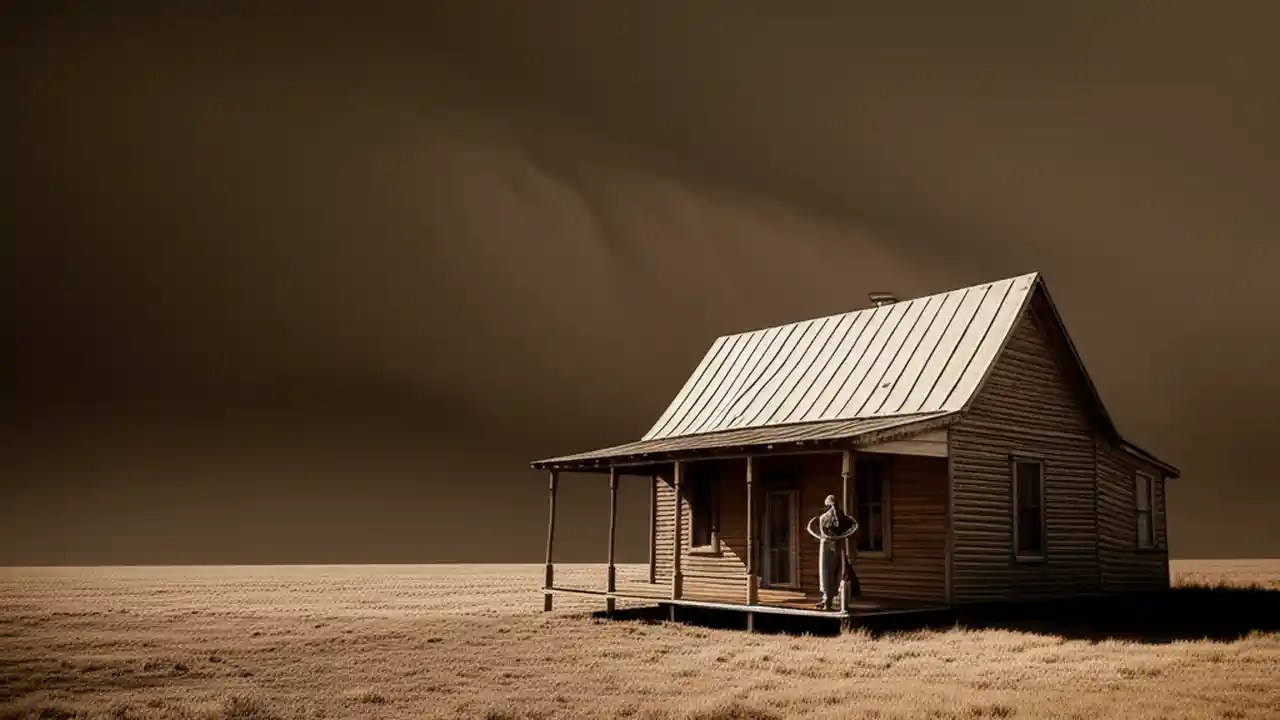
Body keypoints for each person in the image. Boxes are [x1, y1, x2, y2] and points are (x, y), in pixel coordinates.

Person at [806, 494, 857, 610]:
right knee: (831, 571)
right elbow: (851, 527)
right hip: (834, 544)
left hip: (829, 545)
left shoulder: (825, 518)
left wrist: (834, 537)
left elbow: (825, 532)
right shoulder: (840, 517)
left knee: (828, 571)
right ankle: (827, 600)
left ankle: (827, 600)